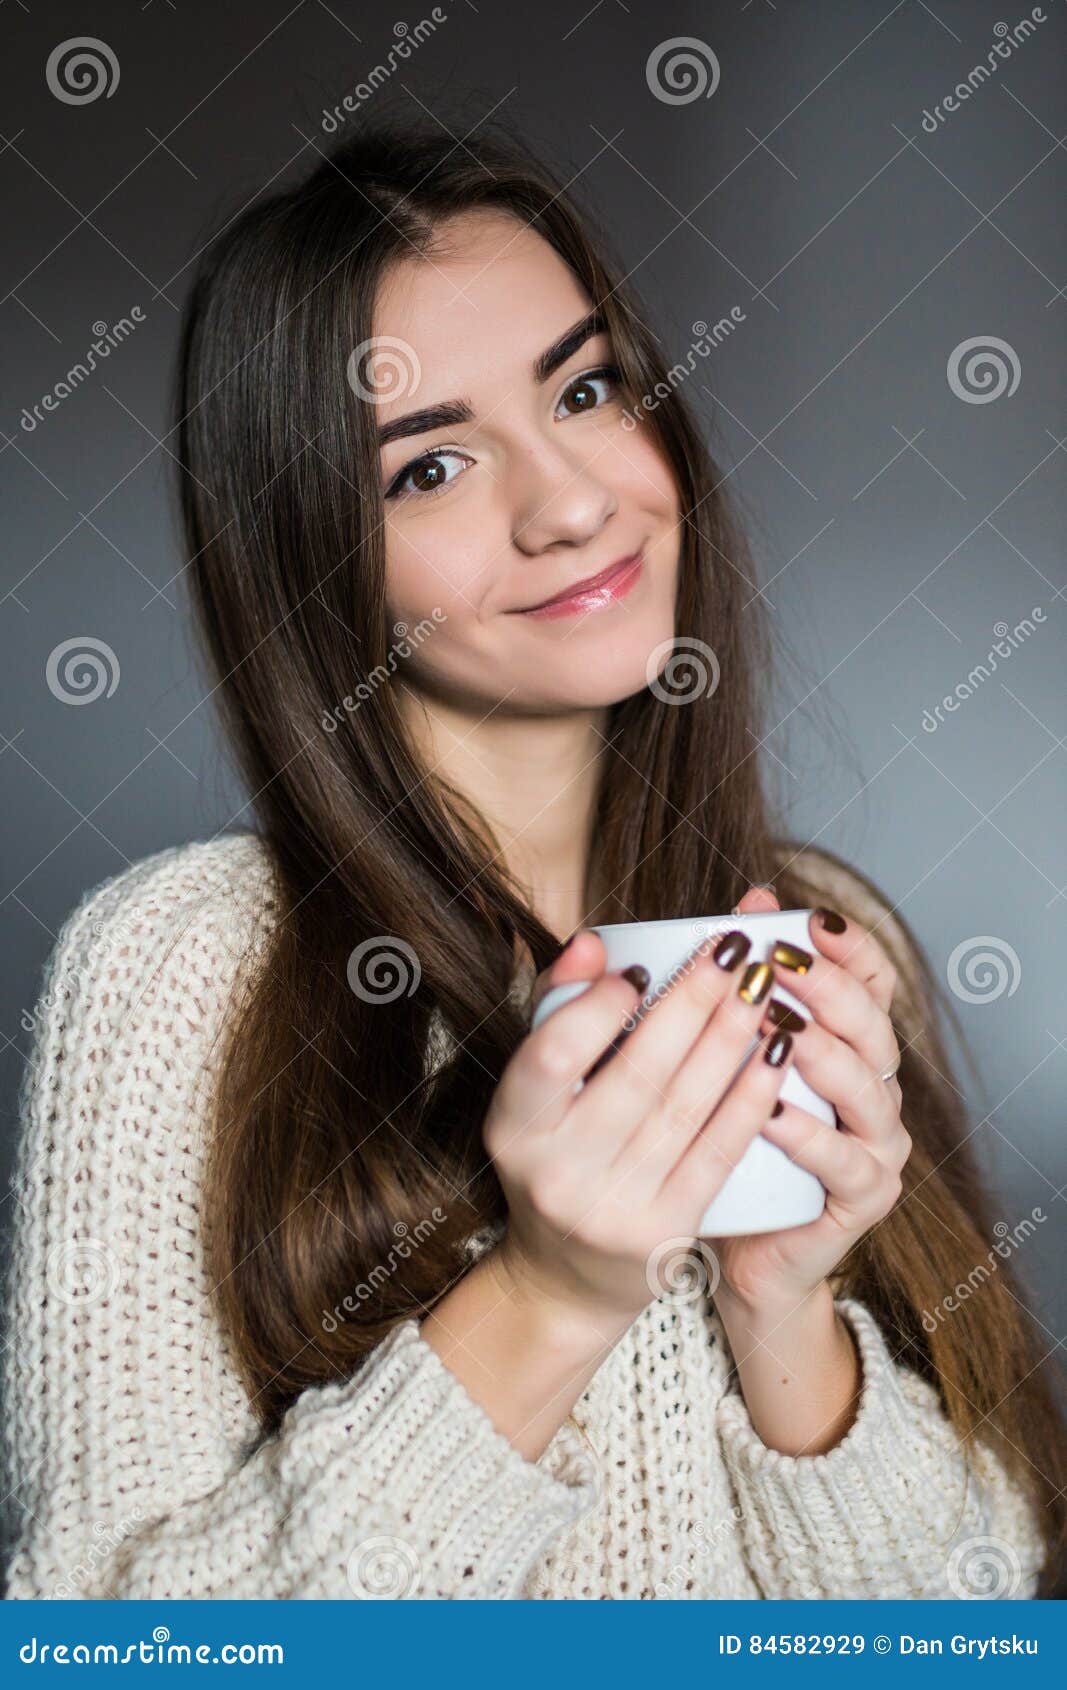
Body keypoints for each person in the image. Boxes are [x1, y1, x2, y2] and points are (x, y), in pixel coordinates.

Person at [4, 116, 1065, 1602]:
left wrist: (786, 1312)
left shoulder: (823, 930)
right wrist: (552, 1293)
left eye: (585, 387)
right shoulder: (183, 964)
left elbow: (978, 1616)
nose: (570, 501)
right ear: (315, 559)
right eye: (430, 466)